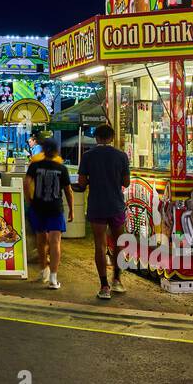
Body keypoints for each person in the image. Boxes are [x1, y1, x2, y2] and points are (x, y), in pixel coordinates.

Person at [77, 123, 130, 299]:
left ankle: (104, 286)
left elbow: (82, 183)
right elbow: (126, 182)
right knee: (118, 243)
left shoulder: (88, 156)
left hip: (97, 205)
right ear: (112, 137)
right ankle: (117, 280)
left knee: (100, 245)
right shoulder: (122, 156)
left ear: (96, 137)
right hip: (116, 205)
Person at [24, 138, 73, 289]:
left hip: (38, 207)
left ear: (43, 150)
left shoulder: (35, 166)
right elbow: (68, 190)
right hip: (55, 208)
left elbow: (26, 183)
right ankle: (53, 277)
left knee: (41, 240)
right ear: (56, 151)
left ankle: (43, 270)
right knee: (55, 242)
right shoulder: (61, 168)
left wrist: (30, 200)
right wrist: (72, 209)